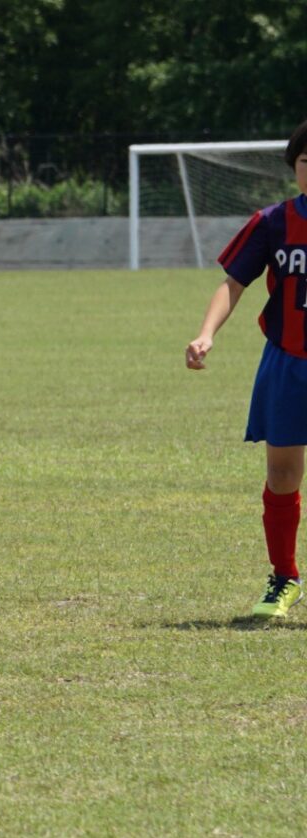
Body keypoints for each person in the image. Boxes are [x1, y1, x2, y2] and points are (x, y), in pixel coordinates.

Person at [186, 118, 307, 619]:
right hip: (287, 362)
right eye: (306, 162)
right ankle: (284, 579)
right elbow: (234, 281)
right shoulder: (273, 222)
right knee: (282, 473)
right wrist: (206, 332)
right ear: (294, 168)